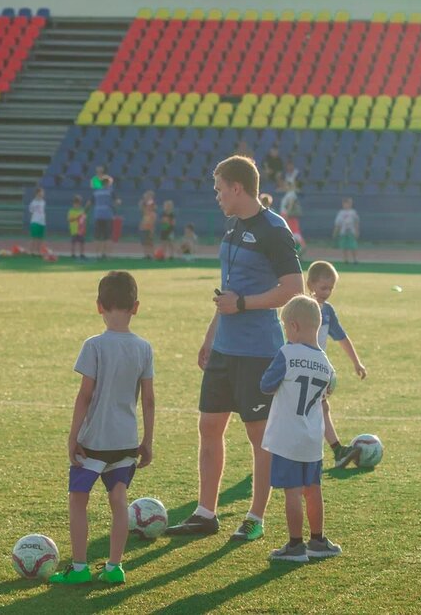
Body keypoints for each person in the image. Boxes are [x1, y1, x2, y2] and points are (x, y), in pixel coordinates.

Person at [166, 155, 303, 542]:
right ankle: (205, 513)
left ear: (237, 188)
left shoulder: (275, 230)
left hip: (258, 350)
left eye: (219, 188)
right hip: (225, 348)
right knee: (208, 426)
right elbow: (228, 289)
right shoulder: (232, 226)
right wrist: (212, 335)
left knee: (258, 435)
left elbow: (295, 290)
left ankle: (255, 517)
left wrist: (243, 304)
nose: (217, 196)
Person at [49, 271, 154, 586]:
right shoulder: (143, 348)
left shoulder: (93, 345)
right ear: (136, 307)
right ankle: (114, 567)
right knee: (119, 500)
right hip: (126, 440)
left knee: (78, 498)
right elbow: (148, 399)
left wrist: (72, 437)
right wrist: (147, 440)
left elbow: (85, 395)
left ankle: (79, 567)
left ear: (99, 306)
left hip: (94, 439)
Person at [259, 295, 342, 562]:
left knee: (292, 492)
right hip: (312, 438)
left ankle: (295, 546)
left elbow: (266, 385)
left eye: (285, 328)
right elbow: (328, 390)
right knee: (312, 488)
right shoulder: (326, 363)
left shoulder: (287, 353)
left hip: (287, 437)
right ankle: (317, 540)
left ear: (293, 326)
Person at [304, 261, 368, 468]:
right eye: (323, 288)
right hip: (300, 368)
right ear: (310, 284)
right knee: (314, 409)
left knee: (320, 407)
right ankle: (335, 450)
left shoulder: (328, 311)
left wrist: (356, 362)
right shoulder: (301, 307)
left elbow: (342, 338)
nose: (328, 292)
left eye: (331, 288)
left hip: (316, 370)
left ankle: (336, 450)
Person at [92, 176, 116, 260]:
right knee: (107, 236)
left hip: (97, 215)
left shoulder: (96, 192)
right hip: (107, 215)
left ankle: (97, 254)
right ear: (108, 183)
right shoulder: (110, 192)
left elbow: (91, 202)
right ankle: (106, 254)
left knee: (97, 236)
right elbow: (116, 202)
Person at [333, 197, 360, 264]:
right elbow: (338, 224)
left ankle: (355, 259)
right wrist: (335, 232)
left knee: (353, 246)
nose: (347, 205)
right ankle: (345, 259)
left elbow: (356, 222)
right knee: (344, 247)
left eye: (348, 203)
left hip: (351, 232)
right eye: (345, 204)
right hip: (343, 232)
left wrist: (357, 231)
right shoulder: (341, 213)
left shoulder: (353, 212)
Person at [280, 182, 304, 251]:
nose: (285, 187)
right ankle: (299, 246)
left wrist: (287, 214)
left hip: (287, 214)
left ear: (289, 186)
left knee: (292, 231)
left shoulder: (291, 194)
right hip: (285, 214)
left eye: (286, 185)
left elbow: (291, 204)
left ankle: (301, 246)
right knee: (292, 232)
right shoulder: (289, 194)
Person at [67, 195, 88, 260]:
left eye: (78, 204)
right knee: (73, 242)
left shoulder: (82, 211)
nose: (76, 205)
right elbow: (69, 219)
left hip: (80, 230)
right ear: (73, 204)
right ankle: (73, 254)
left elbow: (84, 219)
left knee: (82, 242)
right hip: (74, 230)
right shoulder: (71, 211)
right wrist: (76, 218)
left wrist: (84, 227)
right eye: (75, 204)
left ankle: (82, 254)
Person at [138, 190, 156, 259]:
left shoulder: (152, 213)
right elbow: (142, 206)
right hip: (143, 228)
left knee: (150, 243)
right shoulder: (145, 213)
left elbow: (149, 204)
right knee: (144, 243)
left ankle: (152, 254)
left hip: (149, 228)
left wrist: (152, 229)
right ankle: (146, 255)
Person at [29, 188, 47, 256]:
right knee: (34, 237)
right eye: (41, 192)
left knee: (40, 238)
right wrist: (35, 219)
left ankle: (39, 251)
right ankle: (31, 251)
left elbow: (43, 211)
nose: (42, 194)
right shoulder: (33, 202)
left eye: (42, 193)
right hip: (35, 222)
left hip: (42, 222)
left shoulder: (43, 202)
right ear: (37, 193)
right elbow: (31, 211)